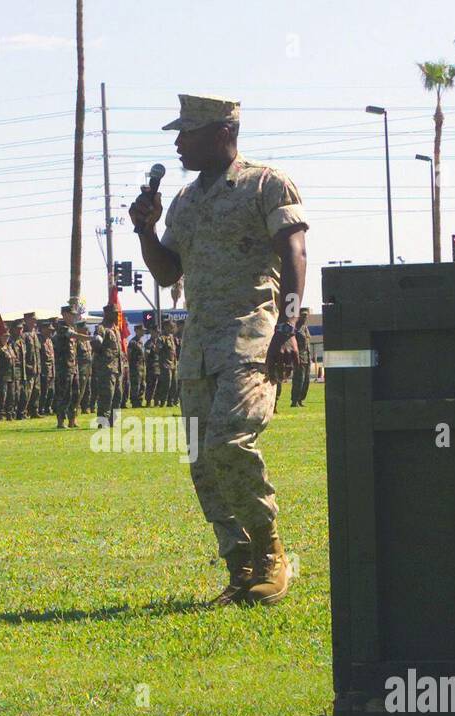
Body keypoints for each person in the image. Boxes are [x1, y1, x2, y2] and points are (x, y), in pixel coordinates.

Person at [129, 93, 308, 607]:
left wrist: (290, 326)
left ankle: (270, 553)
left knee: (230, 442)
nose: (179, 143)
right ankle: (240, 565)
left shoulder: (266, 183)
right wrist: (145, 229)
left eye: (187, 132)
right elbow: (167, 273)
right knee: (202, 462)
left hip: (251, 337)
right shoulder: (187, 201)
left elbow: (294, 251)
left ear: (222, 132)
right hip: (198, 347)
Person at [53, 305, 84, 429]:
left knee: (75, 395)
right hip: (64, 368)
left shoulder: (72, 327)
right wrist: (91, 338)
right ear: (65, 314)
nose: (74, 317)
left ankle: (72, 419)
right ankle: (61, 422)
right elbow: (75, 336)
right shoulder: (62, 328)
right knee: (64, 395)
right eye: (72, 314)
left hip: (73, 366)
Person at [91, 306, 122, 426]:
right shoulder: (101, 328)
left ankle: (113, 422)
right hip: (106, 369)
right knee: (106, 396)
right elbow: (95, 343)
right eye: (114, 313)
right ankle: (102, 422)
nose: (116, 316)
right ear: (107, 314)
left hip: (117, 368)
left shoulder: (115, 329)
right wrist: (101, 352)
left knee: (117, 396)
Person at [291, 307, 312, 407]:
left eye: (306, 316)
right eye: (303, 315)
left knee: (306, 381)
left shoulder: (305, 328)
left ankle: (301, 400)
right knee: (299, 380)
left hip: (307, 358)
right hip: (299, 358)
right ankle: (294, 401)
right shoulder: (295, 329)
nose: (304, 317)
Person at [128, 325, 146, 407]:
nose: (143, 332)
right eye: (141, 330)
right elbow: (129, 354)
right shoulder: (132, 342)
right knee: (136, 385)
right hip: (135, 366)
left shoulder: (141, 341)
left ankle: (139, 401)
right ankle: (134, 402)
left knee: (142, 385)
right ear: (137, 331)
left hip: (142, 366)